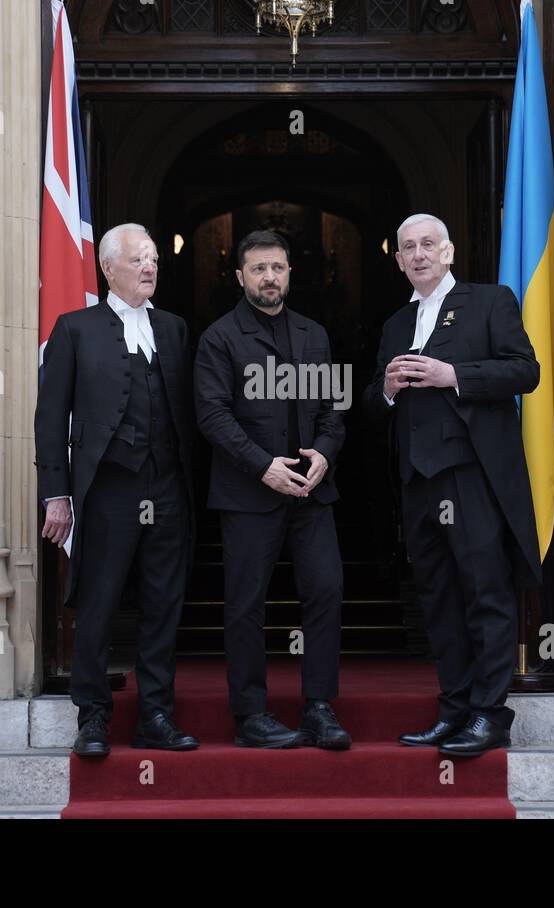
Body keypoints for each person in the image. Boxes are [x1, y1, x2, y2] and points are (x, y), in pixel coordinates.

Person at [363, 213, 541, 757]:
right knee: (438, 599)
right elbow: (372, 406)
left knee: (484, 591)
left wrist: (454, 375)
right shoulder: (395, 323)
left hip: (472, 476)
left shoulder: (491, 301)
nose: (418, 254)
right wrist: (388, 389)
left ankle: (491, 715)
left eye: (428, 245)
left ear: (449, 251)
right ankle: (455, 709)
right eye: (408, 247)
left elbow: (525, 371)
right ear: (397, 260)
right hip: (418, 481)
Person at [35, 223, 199, 758]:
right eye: (138, 260)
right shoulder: (74, 329)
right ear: (108, 268)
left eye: (154, 259)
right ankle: (94, 717)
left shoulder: (173, 328)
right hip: (107, 490)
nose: (150, 268)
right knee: (100, 603)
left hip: (168, 487)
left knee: (162, 604)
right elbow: (50, 417)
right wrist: (56, 494)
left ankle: (155, 714)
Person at [194, 230, 350, 750]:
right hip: (248, 493)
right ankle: (251, 715)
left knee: (326, 590)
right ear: (240, 277)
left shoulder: (315, 334)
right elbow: (212, 415)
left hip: (310, 492)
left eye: (277, 268)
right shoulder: (220, 337)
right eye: (258, 269)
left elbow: (333, 409)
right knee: (245, 604)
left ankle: (320, 708)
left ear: (289, 274)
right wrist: (262, 466)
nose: (269, 277)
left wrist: (325, 453)